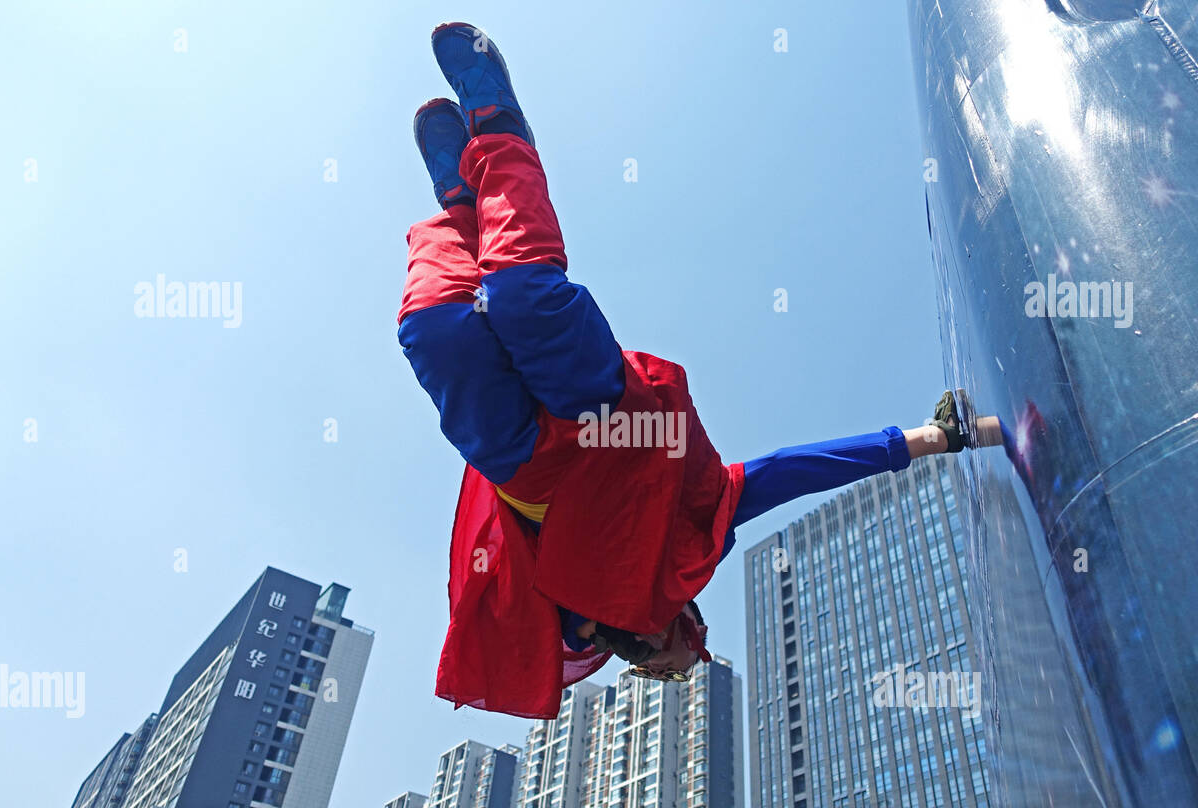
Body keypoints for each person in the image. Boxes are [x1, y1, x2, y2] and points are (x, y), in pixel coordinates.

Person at [398, 22, 973, 719]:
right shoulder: (697, 547)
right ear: (690, 632)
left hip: (530, 477)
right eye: (678, 667)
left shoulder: (571, 643)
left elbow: (498, 619)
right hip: (615, 431)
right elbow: (791, 471)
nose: (660, 666)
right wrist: (923, 441)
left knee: (435, 333)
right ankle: (500, 130)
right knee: (523, 298)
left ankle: (461, 209)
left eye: (657, 675)